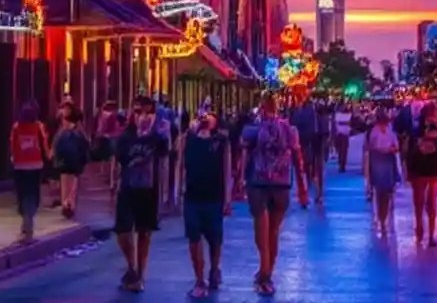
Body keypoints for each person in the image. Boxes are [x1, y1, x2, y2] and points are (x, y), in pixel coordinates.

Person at [242, 92, 308, 297]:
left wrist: (238, 182)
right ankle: (267, 271)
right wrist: (302, 188)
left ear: (261, 106)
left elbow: (243, 158)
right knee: (273, 232)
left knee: (261, 232)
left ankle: (265, 272)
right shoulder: (289, 129)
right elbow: (298, 158)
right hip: (281, 183)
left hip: (259, 182)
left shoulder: (253, 129)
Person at [114, 96, 169, 292]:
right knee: (122, 231)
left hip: (148, 188)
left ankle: (140, 274)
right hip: (128, 187)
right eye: (138, 112)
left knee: (144, 232)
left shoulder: (157, 136)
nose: (143, 116)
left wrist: (157, 130)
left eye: (147, 112)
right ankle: (131, 266)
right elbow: (118, 159)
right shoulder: (126, 136)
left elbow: (165, 152)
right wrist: (114, 183)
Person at [181, 112, 232, 299]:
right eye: (202, 115)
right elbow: (179, 165)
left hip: (214, 197)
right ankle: (199, 279)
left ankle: (214, 269)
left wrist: (227, 198)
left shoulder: (221, 142)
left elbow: (227, 170)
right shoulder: (188, 140)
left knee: (214, 239)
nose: (205, 118)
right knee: (194, 239)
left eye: (210, 115)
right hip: (192, 196)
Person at [9, 101, 50, 243]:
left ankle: (25, 224)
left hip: (20, 166)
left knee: (22, 194)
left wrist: (14, 159)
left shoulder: (16, 127)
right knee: (33, 194)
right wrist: (48, 155)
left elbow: (12, 146)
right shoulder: (39, 126)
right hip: (35, 165)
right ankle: (29, 225)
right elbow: (44, 144)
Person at [408, 103, 437, 246]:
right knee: (426, 203)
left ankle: (425, 233)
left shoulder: (420, 131)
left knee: (426, 203)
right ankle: (425, 232)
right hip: (425, 170)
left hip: (427, 170)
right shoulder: (420, 131)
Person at [365, 108, 402, 236]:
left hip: (387, 162)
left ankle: (383, 218)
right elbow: (370, 147)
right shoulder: (373, 133)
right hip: (377, 162)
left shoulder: (391, 132)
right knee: (379, 192)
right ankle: (381, 218)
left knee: (386, 192)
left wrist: (391, 149)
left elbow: (396, 146)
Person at [52, 102, 90, 219]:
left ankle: (68, 204)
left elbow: (57, 142)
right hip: (71, 158)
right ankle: (68, 204)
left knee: (70, 182)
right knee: (68, 182)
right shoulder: (66, 126)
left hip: (71, 158)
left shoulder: (69, 127)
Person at [334, 105, 353, 173]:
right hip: (343, 135)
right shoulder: (347, 115)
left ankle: (342, 165)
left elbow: (335, 124)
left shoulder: (339, 115)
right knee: (343, 151)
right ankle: (342, 165)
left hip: (341, 134)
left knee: (342, 151)